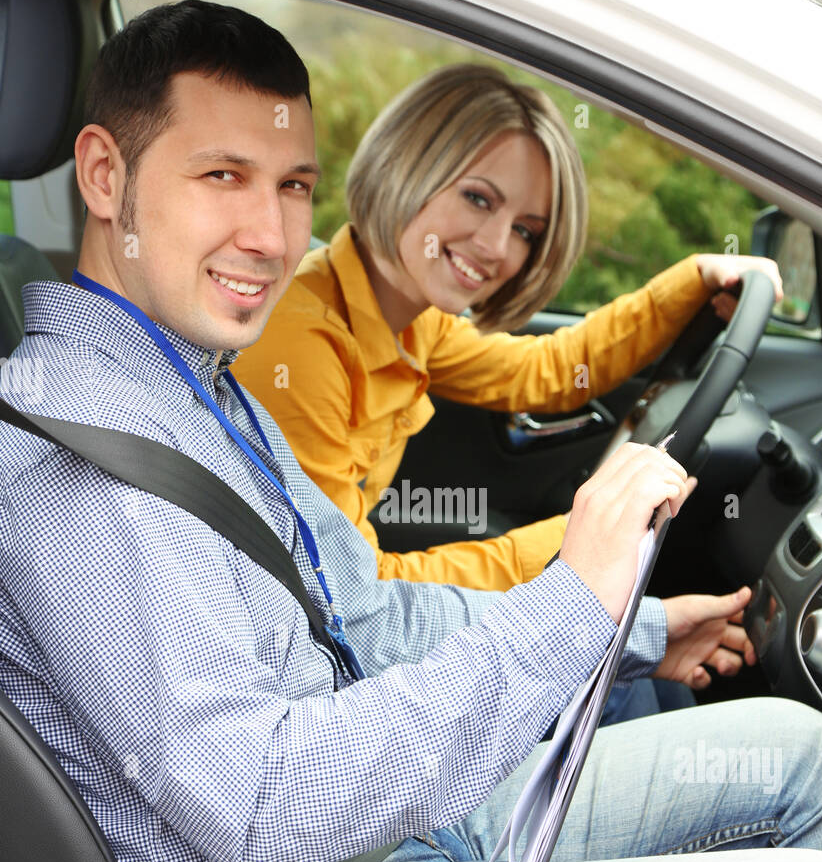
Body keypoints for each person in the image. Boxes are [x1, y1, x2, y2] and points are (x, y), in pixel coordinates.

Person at [0, 0, 822, 862]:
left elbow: (370, 610)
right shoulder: (83, 461)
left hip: (358, 841)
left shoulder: (194, 384)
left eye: (295, 186)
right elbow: (261, 807)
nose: (268, 234)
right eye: (222, 175)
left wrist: (626, 623)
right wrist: (565, 603)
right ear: (104, 175)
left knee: (798, 755)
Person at [232, 62, 782, 592]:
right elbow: (351, 596)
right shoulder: (302, 344)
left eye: (525, 229)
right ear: (405, 165)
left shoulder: (410, 314)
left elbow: (550, 372)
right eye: (477, 198)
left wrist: (693, 280)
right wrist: (580, 538)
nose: (497, 248)